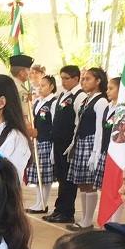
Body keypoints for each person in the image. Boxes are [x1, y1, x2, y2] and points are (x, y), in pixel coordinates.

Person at [64, 67, 109, 231]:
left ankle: (88, 219)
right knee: (82, 183)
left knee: (89, 182)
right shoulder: (86, 100)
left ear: (98, 81)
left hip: (91, 143)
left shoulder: (101, 101)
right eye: (83, 79)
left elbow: (100, 128)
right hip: (81, 141)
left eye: (88, 79)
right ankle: (84, 218)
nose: (84, 81)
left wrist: (95, 152)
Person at [44, 65, 84, 224]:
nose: (63, 81)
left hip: (68, 143)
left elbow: (77, 122)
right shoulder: (62, 95)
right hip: (58, 142)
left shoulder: (79, 96)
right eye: (62, 78)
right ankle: (59, 209)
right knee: (60, 176)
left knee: (68, 179)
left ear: (76, 79)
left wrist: (72, 144)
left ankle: (67, 211)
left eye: (67, 78)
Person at [26, 74, 58, 214]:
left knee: (45, 175)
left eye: (44, 85)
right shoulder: (38, 102)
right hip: (36, 142)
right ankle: (39, 201)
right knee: (37, 173)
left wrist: (40, 133)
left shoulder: (53, 102)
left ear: (52, 87)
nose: (41, 88)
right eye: (40, 85)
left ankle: (44, 203)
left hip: (46, 141)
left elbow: (53, 124)